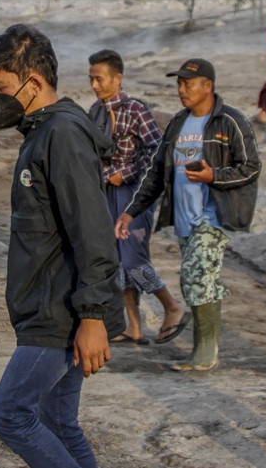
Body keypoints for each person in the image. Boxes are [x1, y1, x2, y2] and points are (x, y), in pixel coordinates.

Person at [0, 24, 124, 468]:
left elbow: (94, 231)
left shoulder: (61, 134)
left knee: (10, 414)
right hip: (53, 303)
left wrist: (93, 316)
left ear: (33, 82)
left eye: (1, 88)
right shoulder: (44, 131)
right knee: (58, 423)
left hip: (61, 311)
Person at [116, 58, 261, 372]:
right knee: (199, 279)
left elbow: (251, 168)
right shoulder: (178, 123)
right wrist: (131, 212)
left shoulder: (230, 121)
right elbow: (155, 174)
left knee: (197, 275)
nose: (181, 89)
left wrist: (214, 177)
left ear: (207, 86)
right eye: (179, 84)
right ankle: (204, 348)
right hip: (184, 218)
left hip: (215, 216)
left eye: (188, 83)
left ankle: (205, 352)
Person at [86, 50, 187, 345]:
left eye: (99, 79)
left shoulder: (135, 109)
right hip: (108, 192)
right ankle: (134, 326)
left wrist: (126, 172)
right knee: (117, 260)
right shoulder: (96, 111)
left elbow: (157, 151)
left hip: (134, 194)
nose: (94, 85)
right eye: (91, 79)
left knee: (132, 258)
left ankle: (172, 306)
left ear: (118, 78)